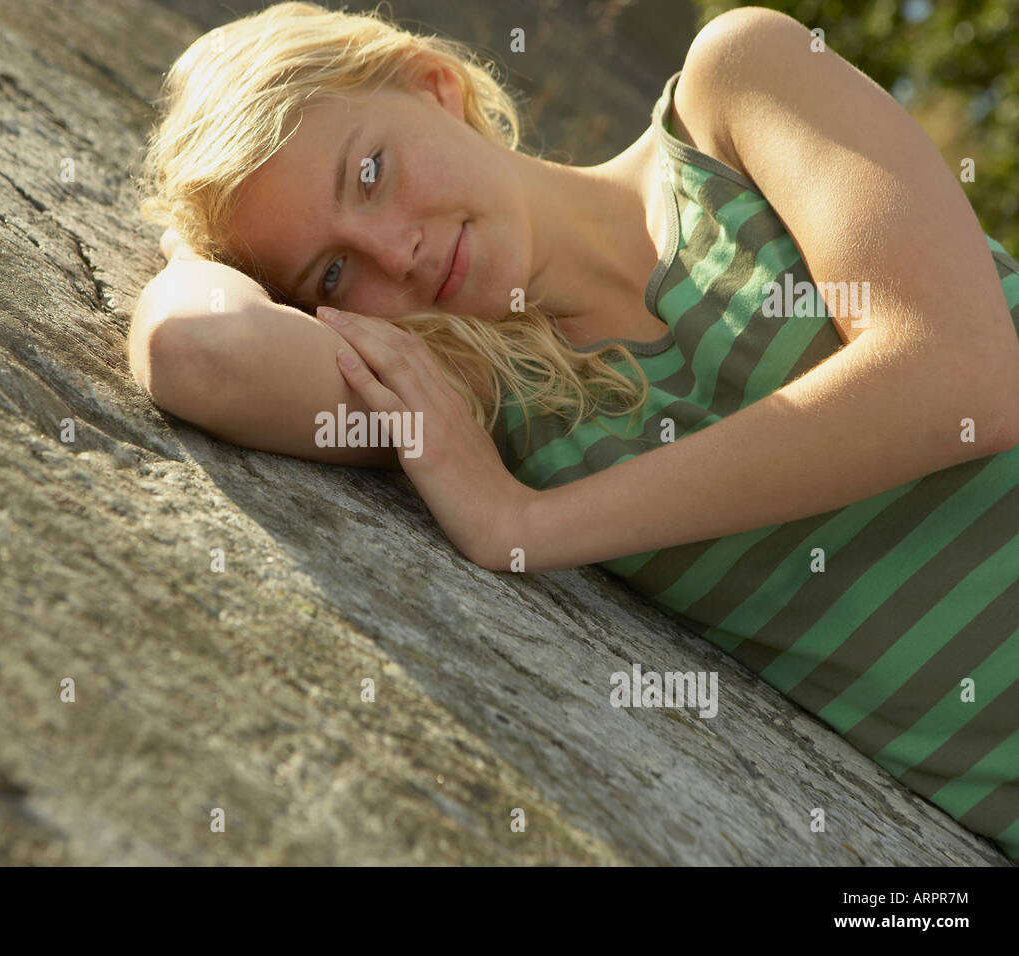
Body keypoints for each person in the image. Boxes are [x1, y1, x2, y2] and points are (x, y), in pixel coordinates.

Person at [130, 2, 1019, 862]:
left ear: (434, 86)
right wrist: (193, 249)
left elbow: (964, 373)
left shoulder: (734, 93)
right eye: (331, 270)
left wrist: (523, 526)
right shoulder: (475, 398)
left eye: (370, 173)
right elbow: (202, 354)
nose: (392, 250)